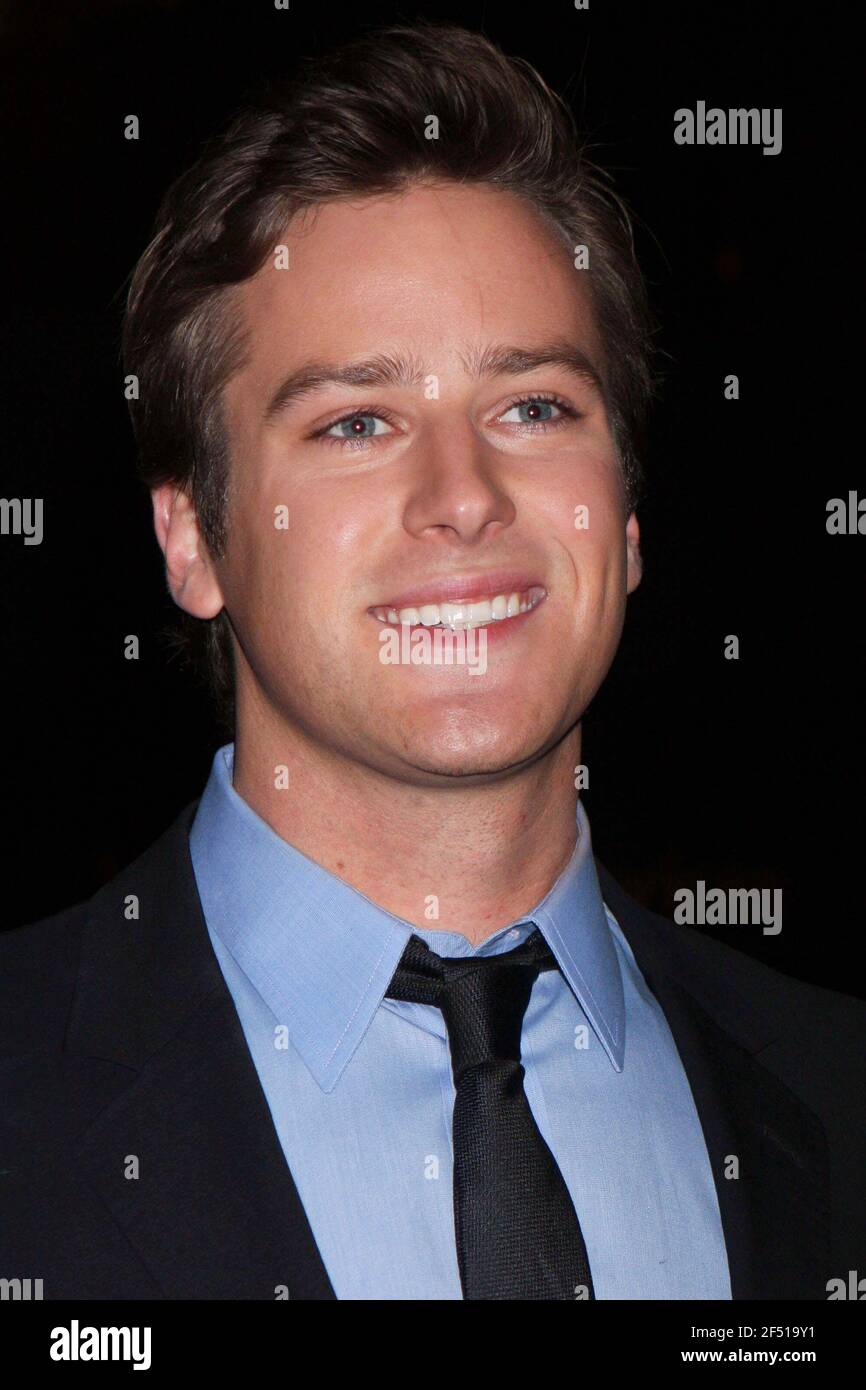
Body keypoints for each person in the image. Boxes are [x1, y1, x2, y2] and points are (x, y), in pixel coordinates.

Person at [1, 19, 863, 1301]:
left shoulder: (834, 1092)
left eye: (532, 407)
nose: (462, 495)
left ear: (624, 516)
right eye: (356, 420)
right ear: (192, 538)